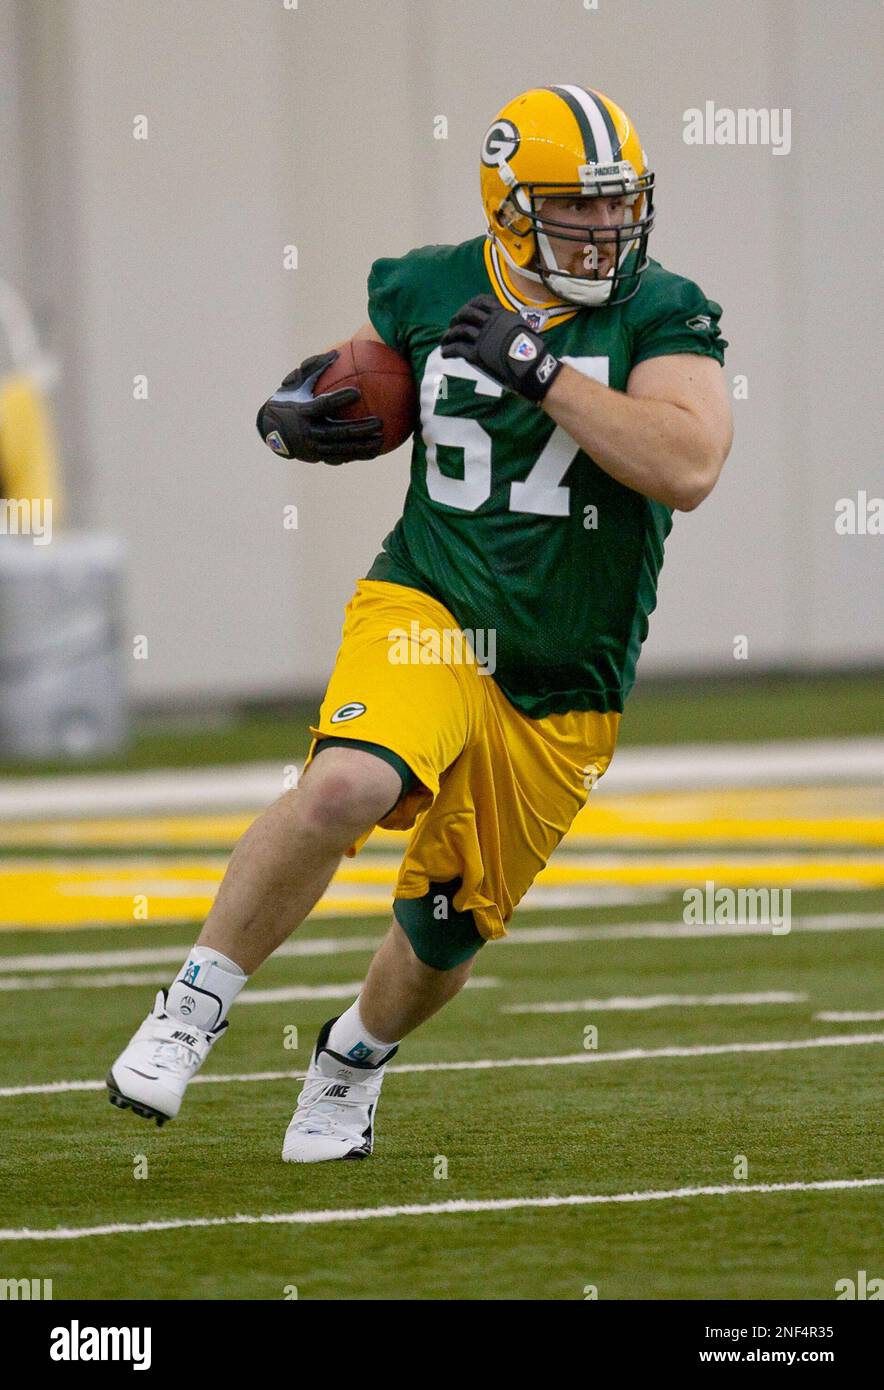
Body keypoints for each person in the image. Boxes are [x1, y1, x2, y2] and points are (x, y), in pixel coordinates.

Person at [107, 84, 732, 1163]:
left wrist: (539, 374)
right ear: (505, 203)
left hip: (565, 672)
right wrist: (317, 411)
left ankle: (347, 1062)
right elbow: (369, 383)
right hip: (428, 602)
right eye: (571, 207)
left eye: (614, 205)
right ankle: (189, 1009)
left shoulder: (663, 310)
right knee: (347, 782)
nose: (600, 229)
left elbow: (686, 464)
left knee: (443, 927)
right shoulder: (423, 285)